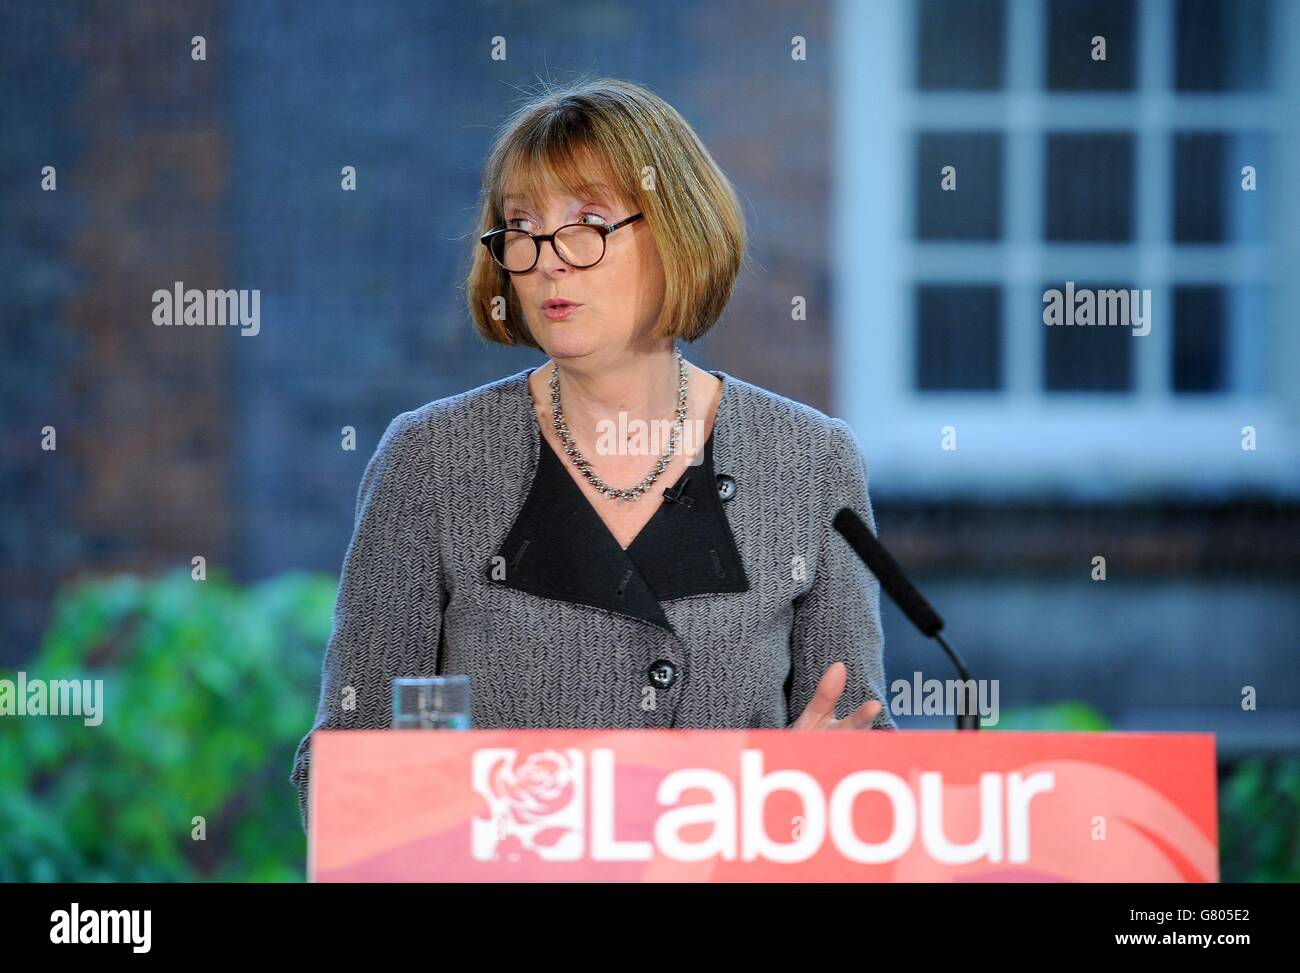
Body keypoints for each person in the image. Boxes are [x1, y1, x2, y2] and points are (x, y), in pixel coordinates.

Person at [291, 78, 893, 831]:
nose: (548, 259)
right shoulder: (431, 459)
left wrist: (795, 800)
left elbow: (860, 759)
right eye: (521, 225)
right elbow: (342, 772)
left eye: (588, 221)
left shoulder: (811, 460)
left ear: (679, 230)